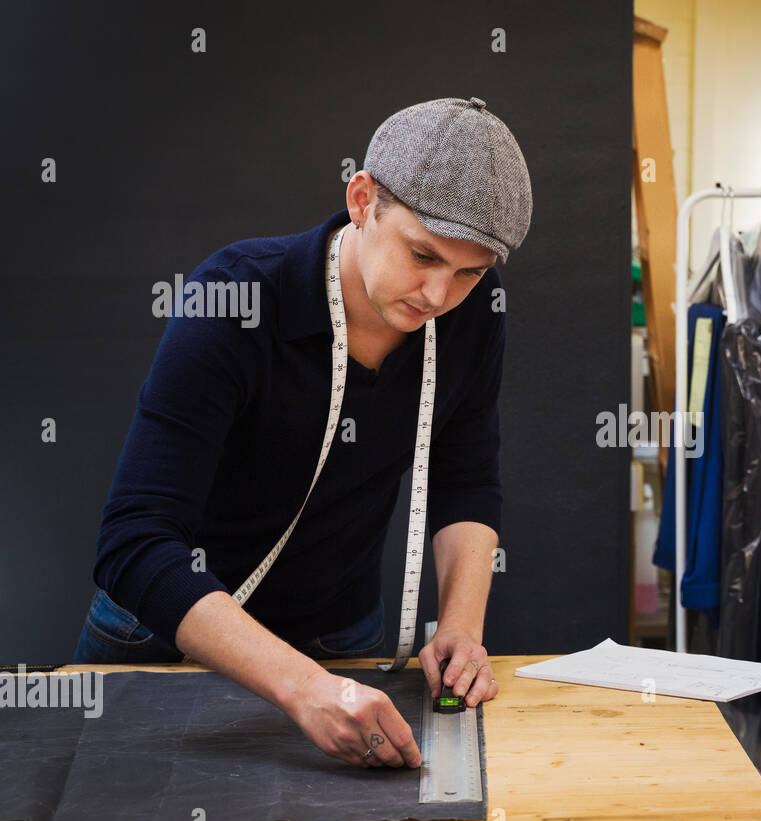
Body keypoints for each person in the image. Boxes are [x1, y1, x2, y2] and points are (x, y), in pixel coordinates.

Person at [74, 97, 532, 771]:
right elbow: (134, 544)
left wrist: (461, 627)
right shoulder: (232, 300)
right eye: (422, 255)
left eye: (470, 272)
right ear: (361, 198)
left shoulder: (470, 321)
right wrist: (300, 687)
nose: (438, 294)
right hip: (163, 631)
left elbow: (465, 478)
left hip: (337, 636)